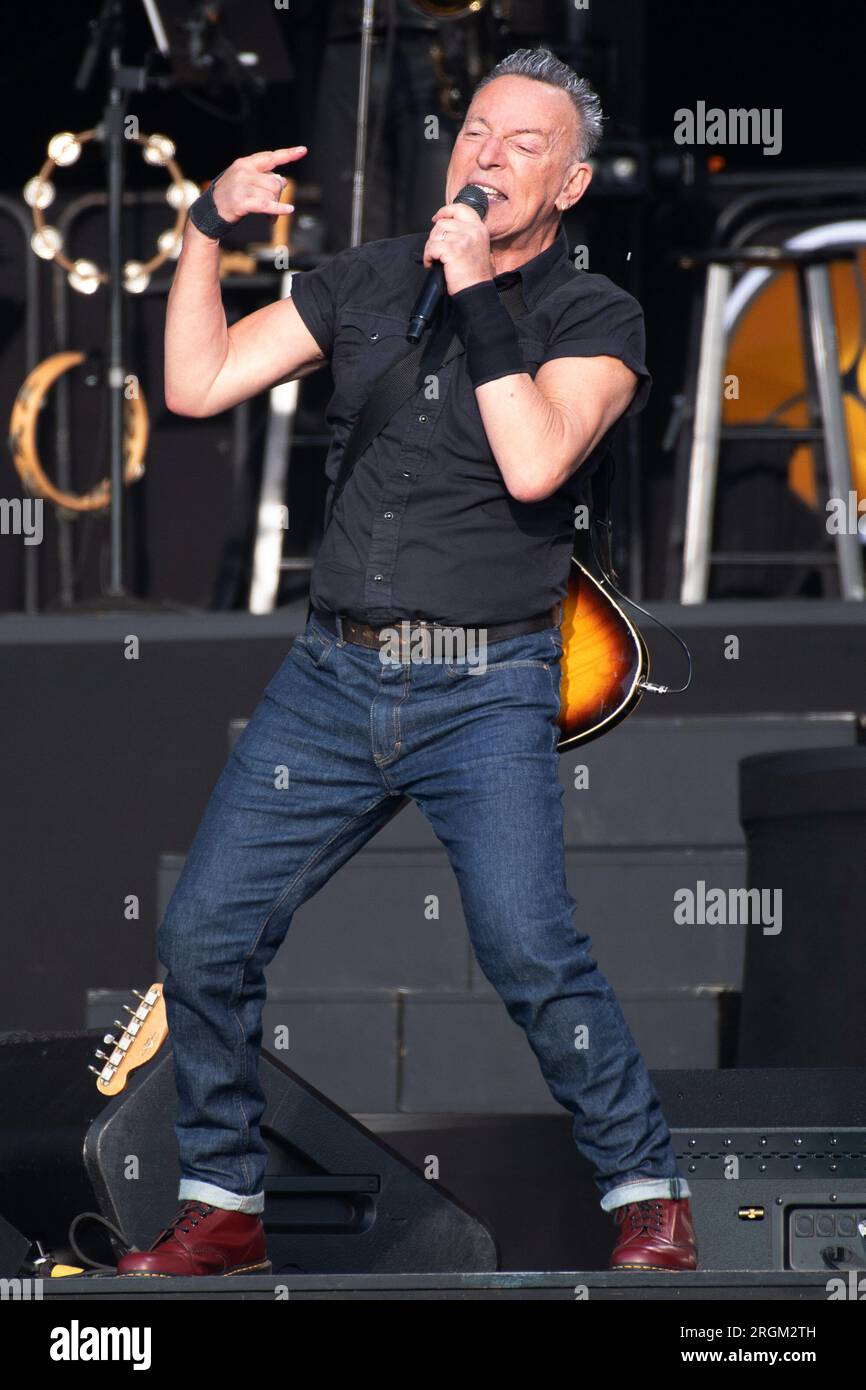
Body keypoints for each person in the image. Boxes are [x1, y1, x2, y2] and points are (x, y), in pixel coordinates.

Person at [117, 46, 698, 1277]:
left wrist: (477, 290)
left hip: (482, 685)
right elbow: (195, 380)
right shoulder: (366, 279)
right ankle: (223, 1198)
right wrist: (199, 231)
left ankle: (645, 1191)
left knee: (529, 946)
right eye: (474, 131)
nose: (486, 155)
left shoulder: (595, 315)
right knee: (205, 933)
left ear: (571, 184)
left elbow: (537, 460)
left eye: (521, 144)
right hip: (330, 680)